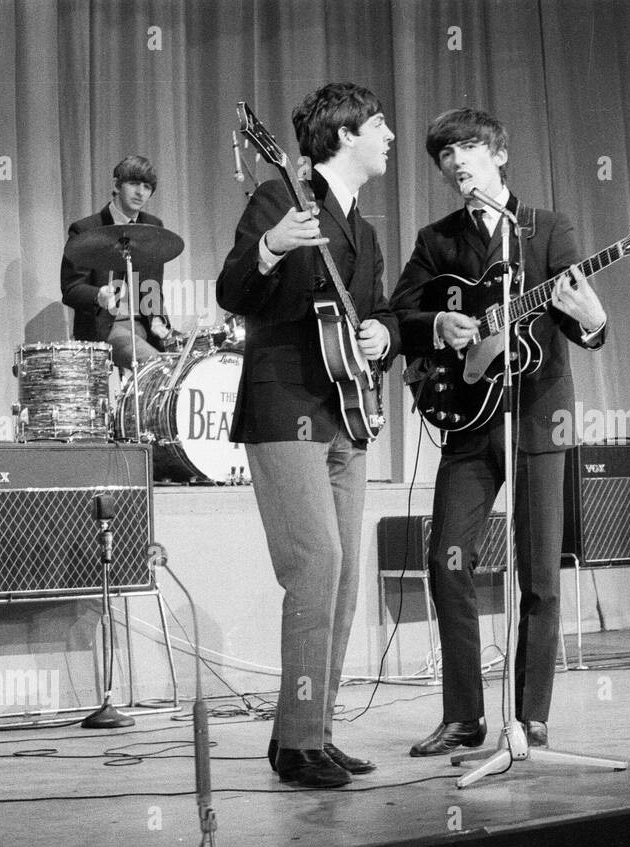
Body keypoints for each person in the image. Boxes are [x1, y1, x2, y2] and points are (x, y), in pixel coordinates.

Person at [389, 107, 609, 755]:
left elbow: (580, 323)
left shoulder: (545, 229)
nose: (456, 161)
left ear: (498, 154)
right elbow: (402, 311)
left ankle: (530, 717)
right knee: (445, 558)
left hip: (539, 413)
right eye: (444, 155)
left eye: (467, 147)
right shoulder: (439, 240)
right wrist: (439, 327)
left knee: (538, 571)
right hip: (465, 416)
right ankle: (464, 716)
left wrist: (594, 319)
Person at [217, 82, 398, 787]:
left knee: (346, 574)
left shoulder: (368, 229)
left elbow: (377, 312)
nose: (389, 135)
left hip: (345, 412)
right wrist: (268, 247)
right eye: (379, 124)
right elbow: (236, 290)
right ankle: (294, 743)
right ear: (345, 135)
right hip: (283, 401)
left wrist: (384, 330)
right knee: (315, 563)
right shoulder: (280, 199)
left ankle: (315, 730)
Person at [60, 155, 175, 369]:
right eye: (133, 184)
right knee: (158, 368)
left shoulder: (153, 226)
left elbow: (153, 286)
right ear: (116, 185)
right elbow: (71, 289)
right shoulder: (86, 229)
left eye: (147, 187)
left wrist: (158, 318)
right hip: (106, 327)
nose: (141, 192)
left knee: (186, 365)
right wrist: (98, 295)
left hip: (146, 324)